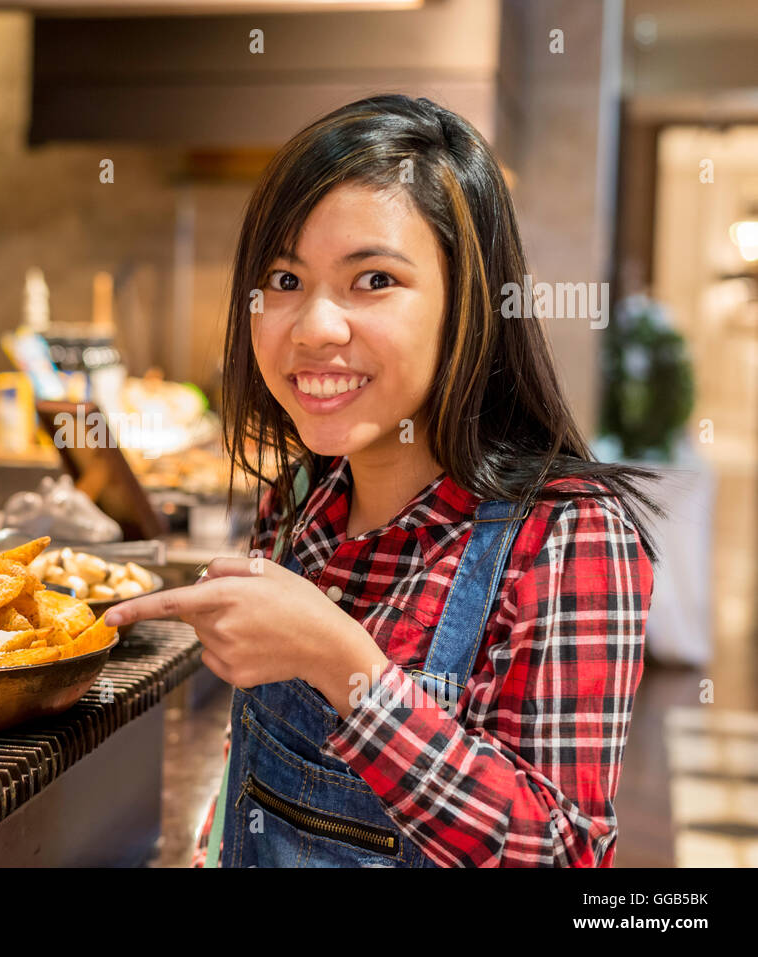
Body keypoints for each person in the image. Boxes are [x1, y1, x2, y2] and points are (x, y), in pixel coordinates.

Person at [105, 94, 657, 868]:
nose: (314, 328)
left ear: (467, 305)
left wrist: (346, 667)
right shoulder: (298, 498)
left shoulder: (567, 534)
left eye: (373, 279)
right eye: (284, 277)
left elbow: (560, 851)